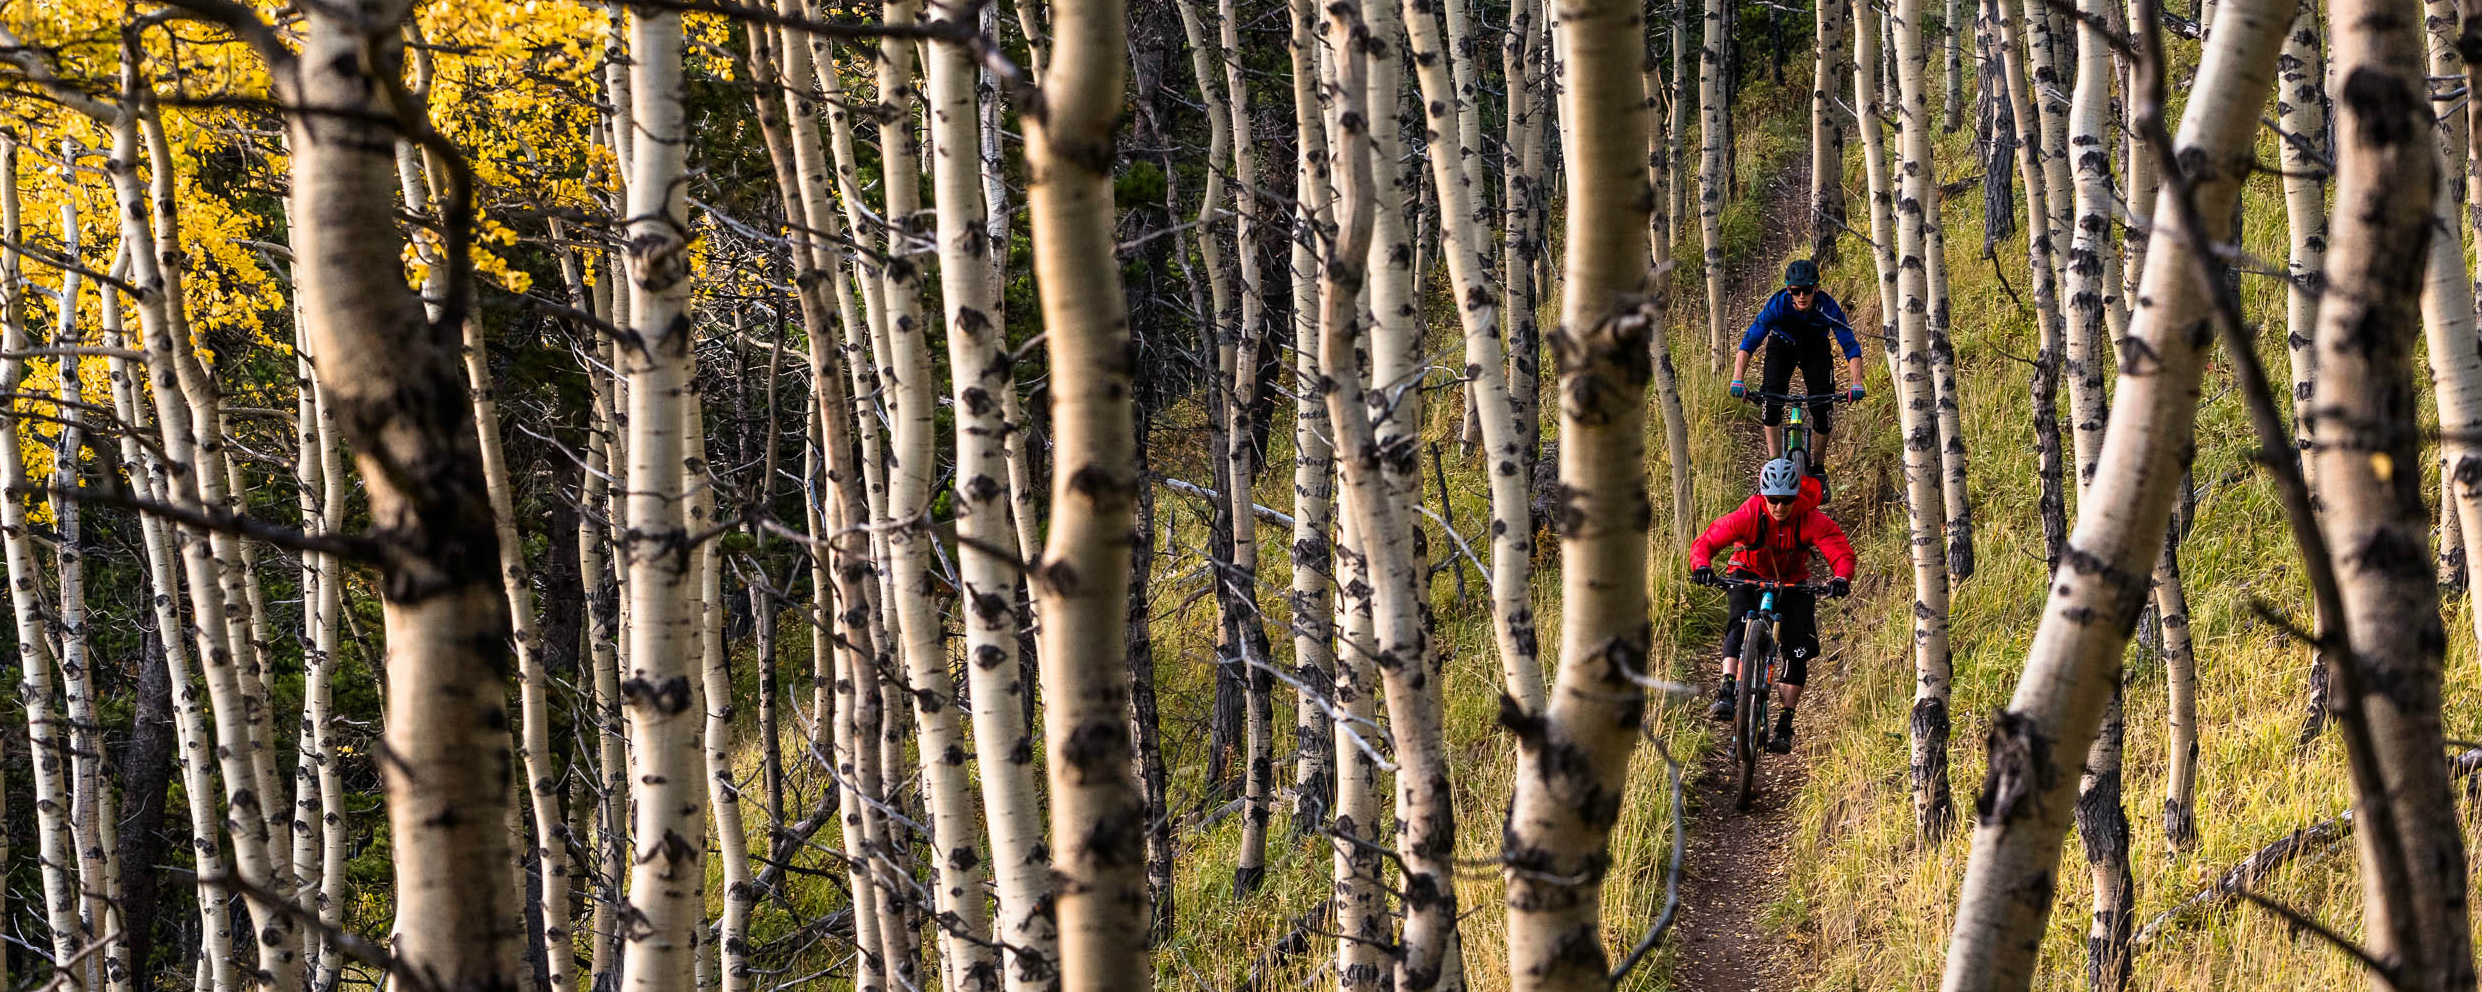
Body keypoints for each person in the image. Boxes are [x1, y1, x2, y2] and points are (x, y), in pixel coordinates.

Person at [1690, 458, 1855, 753]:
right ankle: (1728, 687)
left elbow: (1838, 549)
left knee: (1797, 648)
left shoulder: (1810, 517)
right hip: (1748, 574)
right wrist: (1702, 566)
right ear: (1762, 495)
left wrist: (1841, 577)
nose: (1780, 507)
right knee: (1738, 623)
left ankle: (1785, 723)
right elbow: (1708, 541)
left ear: (1796, 497)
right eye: (1773, 500)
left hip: (1794, 583)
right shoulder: (1749, 513)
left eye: (1787, 500)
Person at [1729, 259, 1866, 488]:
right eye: (1796, 291)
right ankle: (1774, 462)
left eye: (1807, 290)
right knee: (1771, 400)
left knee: (1823, 407)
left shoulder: (1828, 308)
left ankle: (1819, 468)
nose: (1802, 296)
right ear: (1788, 290)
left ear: (1816, 289)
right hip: (1782, 345)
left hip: (1816, 348)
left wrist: (1856, 383)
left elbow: (1850, 345)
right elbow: (1749, 342)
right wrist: (1737, 379)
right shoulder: (1777, 306)